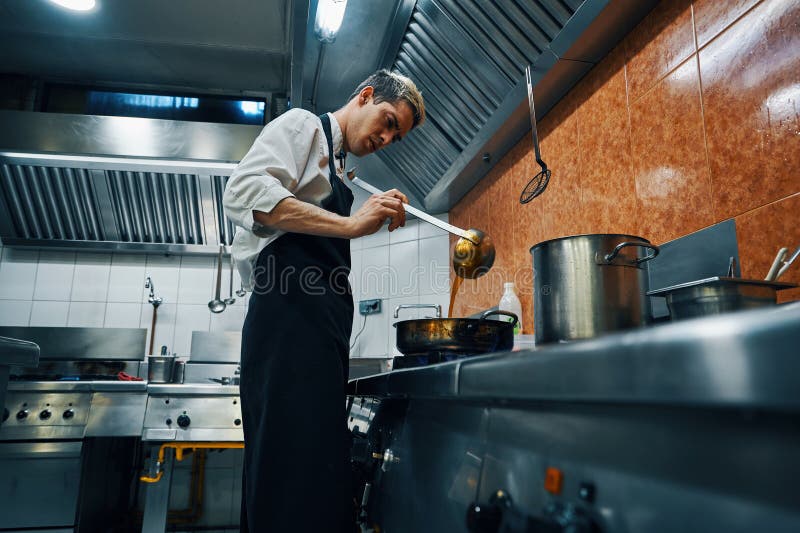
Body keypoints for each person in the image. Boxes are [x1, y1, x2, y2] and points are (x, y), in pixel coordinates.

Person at [223, 69, 425, 533]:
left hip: (318, 329)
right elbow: (244, 192)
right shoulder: (303, 126)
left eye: (396, 136)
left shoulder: (339, 169)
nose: (387, 139)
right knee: (290, 468)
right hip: (288, 319)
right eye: (388, 122)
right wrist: (352, 225)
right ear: (366, 96)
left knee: (312, 465)